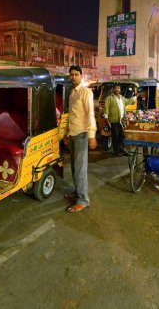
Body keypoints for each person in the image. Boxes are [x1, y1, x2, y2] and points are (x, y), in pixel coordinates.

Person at [63, 65, 97, 213]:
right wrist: (66, 133)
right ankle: (77, 193)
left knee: (80, 169)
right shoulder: (72, 93)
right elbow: (71, 115)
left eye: (76, 74)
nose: (73, 77)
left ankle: (83, 200)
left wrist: (92, 136)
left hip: (82, 135)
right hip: (73, 135)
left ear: (81, 76)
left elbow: (90, 114)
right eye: (71, 75)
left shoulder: (86, 92)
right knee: (74, 168)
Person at [103, 83, 136, 156]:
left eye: (118, 88)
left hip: (122, 121)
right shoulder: (109, 98)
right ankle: (116, 151)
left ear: (120, 90)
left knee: (122, 136)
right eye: (115, 88)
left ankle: (122, 149)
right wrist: (106, 118)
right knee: (115, 136)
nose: (117, 89)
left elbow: (128, 101)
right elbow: (106, 108)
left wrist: (135, 97)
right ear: (113, 89)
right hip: (114, 121)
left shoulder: (121, 97)